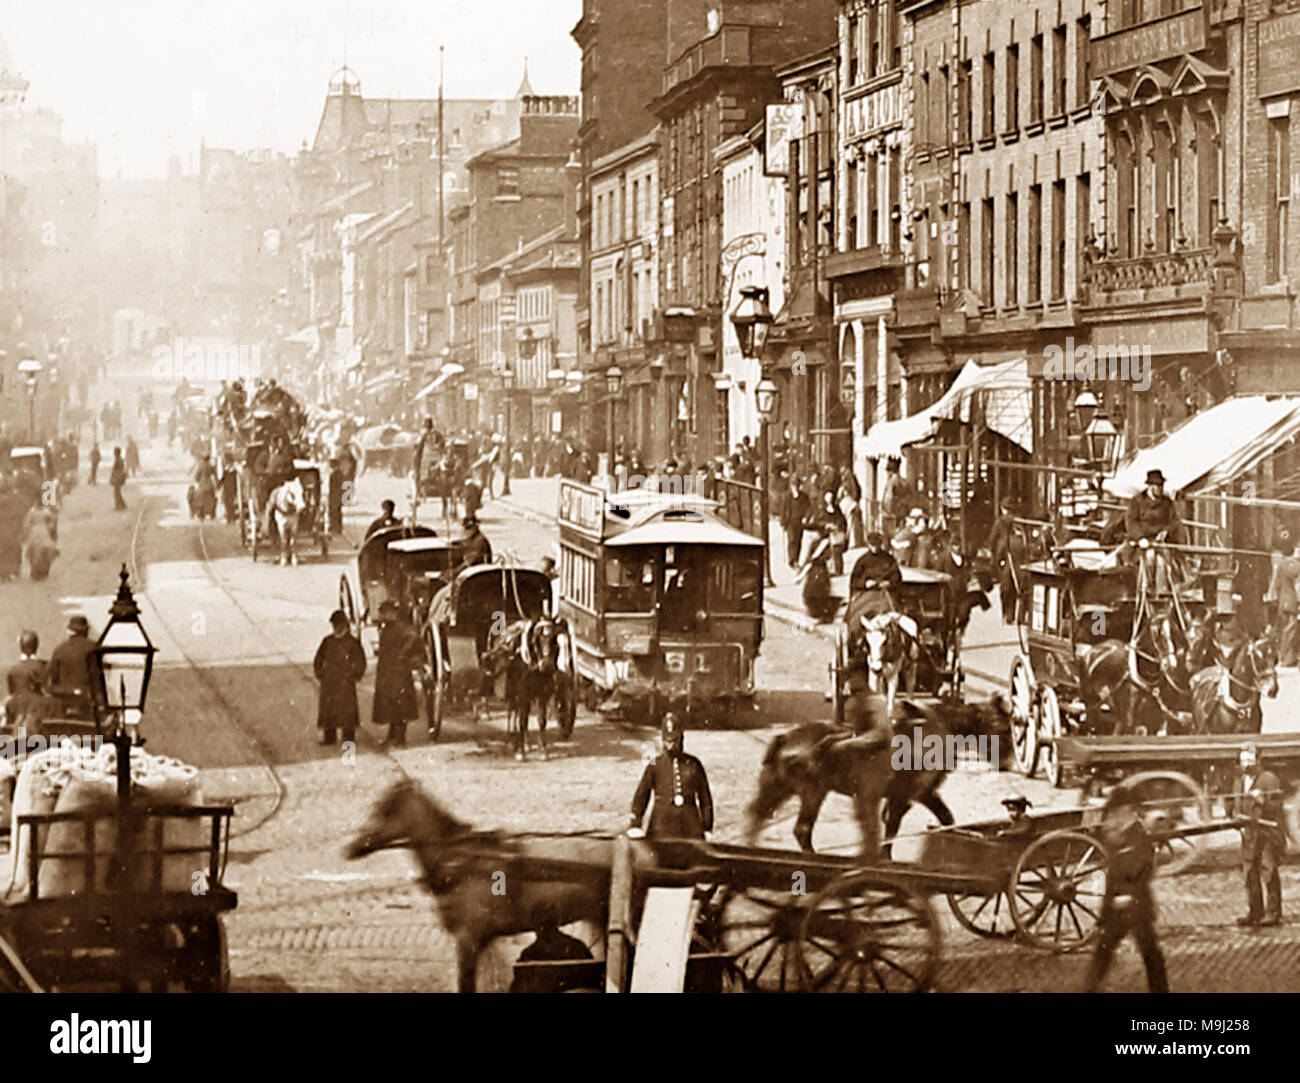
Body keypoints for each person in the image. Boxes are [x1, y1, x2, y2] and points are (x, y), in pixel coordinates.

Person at [1083, 781, 1169, 994]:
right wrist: (1102, 899)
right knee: (1105, 950)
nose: (1113, 818)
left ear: (1127, 811)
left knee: (1150, 952)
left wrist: (1128, 895)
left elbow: (1144, 869)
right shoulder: (1113, 835)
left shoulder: (1137, 835)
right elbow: (1105, 869)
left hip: (1136, 905)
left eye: (1117, 812)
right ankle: (1088, 989)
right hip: (1115, 906)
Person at [629, 711, 713, 841]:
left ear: (681, 738)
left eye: (674, 741)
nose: (671, 745)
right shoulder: (655, 765)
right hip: (661, 826)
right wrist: (635, 823)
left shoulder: (693, 764)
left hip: (690, 827)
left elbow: (705, 798)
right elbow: (642, 794)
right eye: (667, 741)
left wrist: (707, 826)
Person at [1233, 742, 1285, 927]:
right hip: (1248, 834)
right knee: (1249, 873)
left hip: (1267, 834)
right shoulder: (1240, 780)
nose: (1247, 764)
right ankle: (1255, 912)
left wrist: (1262, 800)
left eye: (1250, 759)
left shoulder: (1268, 779)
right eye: (1243, 759)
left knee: (1268, 870)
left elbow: (1277, 807)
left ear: (1259, 760)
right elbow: (1235, 804)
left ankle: (1273, 913)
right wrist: (1236, 820)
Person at [372, 600, 421, 748]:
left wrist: (403, 655)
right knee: (390, 704)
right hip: (388, 671)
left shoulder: (402, 628)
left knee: (400, 705)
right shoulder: (386, 629)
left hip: (398, 672)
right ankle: (392, 735)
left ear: (392, 613)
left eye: (384, 613)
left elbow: (413, 638)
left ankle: (400, 738)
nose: (382, 616)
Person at [313, 610, 366, 747]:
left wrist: (355, 675)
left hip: (345, 682)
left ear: (345, 625)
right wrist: (320, 673)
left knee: (347, 710)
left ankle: (348, 738)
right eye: (335, 625)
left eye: (340, 624)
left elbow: (360, 661)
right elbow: (318, 658)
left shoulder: (352, 642)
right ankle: (329, 736)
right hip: (329, 681)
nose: (337, 627)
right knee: (329, 710)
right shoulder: (328, 641)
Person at [46, 615, 98, 720]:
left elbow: (52, 677)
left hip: (64, 701)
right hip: (88, 701)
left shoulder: (59, 650)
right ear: (86, 631)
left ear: (70, 631)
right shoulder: (94, 647)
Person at [5, 630, 50, 732]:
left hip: (19, 717)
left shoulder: (13, 670)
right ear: (37, 646)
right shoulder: (45, 667)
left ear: (21, 647)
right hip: (40, 716)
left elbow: (12, 693)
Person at [1125, 468, 1182, 544]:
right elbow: (1131, 522)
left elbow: (1174, 521)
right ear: (1150, 486)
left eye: (1161, 485)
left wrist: (1166, 531)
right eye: (1157, 485)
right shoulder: (1137, 501)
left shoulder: (1167, 502)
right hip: (1142, 541)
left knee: (1177, 555)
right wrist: (1140, 538)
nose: (1160, 488)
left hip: (1162, 541)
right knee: (1125, 553)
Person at [1270, 544, 1300, 667]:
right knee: (1290, 631)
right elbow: (1298, 586)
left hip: (1283, 602)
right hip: (1293, 602)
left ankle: (1283, 657)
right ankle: (1286, 659)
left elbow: (1276, 583)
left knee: (1284, 630)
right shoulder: (1297, 566)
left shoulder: (1281, 565)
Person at [801, 536, 839, 623]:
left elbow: (826, 557)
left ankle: (823, 614)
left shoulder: (823, 543)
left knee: (818, 592)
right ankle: (822, 613)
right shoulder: (819, 543)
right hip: (817, 570)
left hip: (819, 571)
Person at [21, 501, 58, 581]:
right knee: (39, 551)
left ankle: (38, 571)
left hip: (38, 533)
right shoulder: (46, 512)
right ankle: (38, 571)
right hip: (42, 532)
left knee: (38, 551)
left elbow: (27, 524)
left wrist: (28, 530)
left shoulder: (34, 511)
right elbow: (52, 524)